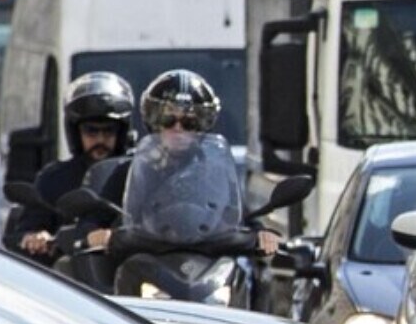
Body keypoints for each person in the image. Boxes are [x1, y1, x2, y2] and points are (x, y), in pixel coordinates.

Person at [86, 70, 277, 257]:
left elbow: (241, 215)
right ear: (154, 121)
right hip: (143, 264)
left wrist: (262, 234)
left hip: (206, 266)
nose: (178, 129)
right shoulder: (129, 171)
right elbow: (93, 219)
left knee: (253, 278)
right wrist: (96, 235)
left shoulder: (215, 171)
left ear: (202, 126)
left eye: (189, 123)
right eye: (168, 120)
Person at [2, 72, 136, 264]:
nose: (100, 139)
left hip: (129, 267)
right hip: (69, 276)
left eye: (109, 131)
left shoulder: (136, 173)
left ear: (122, 132)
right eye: (91, 131)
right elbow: (27, 226)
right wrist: (35, 237)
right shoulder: (55, 177)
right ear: (75, 132)